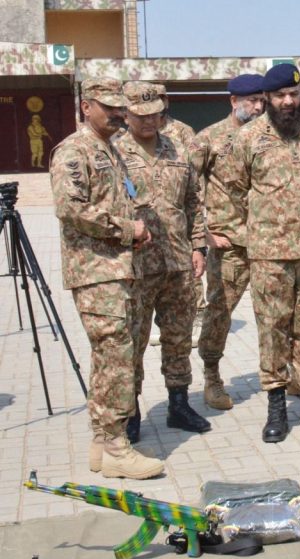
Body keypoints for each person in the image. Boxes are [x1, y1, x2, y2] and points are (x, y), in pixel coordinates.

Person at [49, 77, 163, 479]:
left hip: (119, 271)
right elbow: (70, 208)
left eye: (120, 108)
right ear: (86, 107)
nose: (118, 114)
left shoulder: (109, 150)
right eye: (108, 107)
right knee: (115, 358)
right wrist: (125, 229)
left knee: (111, 357)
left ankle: (102, 440)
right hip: (96, 273)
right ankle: (116, 446)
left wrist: (138, 229)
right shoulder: (74, 152)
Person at [226, 63, 300, 443]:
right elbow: (234, 189)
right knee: (272, 329)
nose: (288, 102)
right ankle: (276, 406)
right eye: (279, 96)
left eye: (294, 94)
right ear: (267, 99)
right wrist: (262, 228)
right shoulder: (249, 138)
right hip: (268, 255)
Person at [116, 81, 210, 441]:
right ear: (126, 114)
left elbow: (192, 201)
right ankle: (131, 411)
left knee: (178, 336)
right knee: (134, 340)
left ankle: (179, 403)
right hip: (136, 265)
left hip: (177, 262)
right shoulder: (114, 152)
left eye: (155, 114)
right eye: (140, 116)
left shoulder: (176, 148)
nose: (149, 122)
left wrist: (198, 247)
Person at [191, 73, 265, 411]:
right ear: (233, 101)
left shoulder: (271, 136)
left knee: (279, 313)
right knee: (220, 312)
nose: (258, 106)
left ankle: (285, 371)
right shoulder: (209, 139)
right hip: (229, 242)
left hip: (269, 241)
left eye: (261, 100)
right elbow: (188, 191)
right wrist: (203, 234)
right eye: (251, 101)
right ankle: (212, 375)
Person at [153, 82, 204, 347]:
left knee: (190, 271)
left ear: (167, 100)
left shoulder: (182, 131)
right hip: (154, 218)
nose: (157, 103)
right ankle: (161, 323)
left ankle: (197, 318)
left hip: (180, 212)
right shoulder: (136, 132)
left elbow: (194, 174)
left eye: (161, 97)